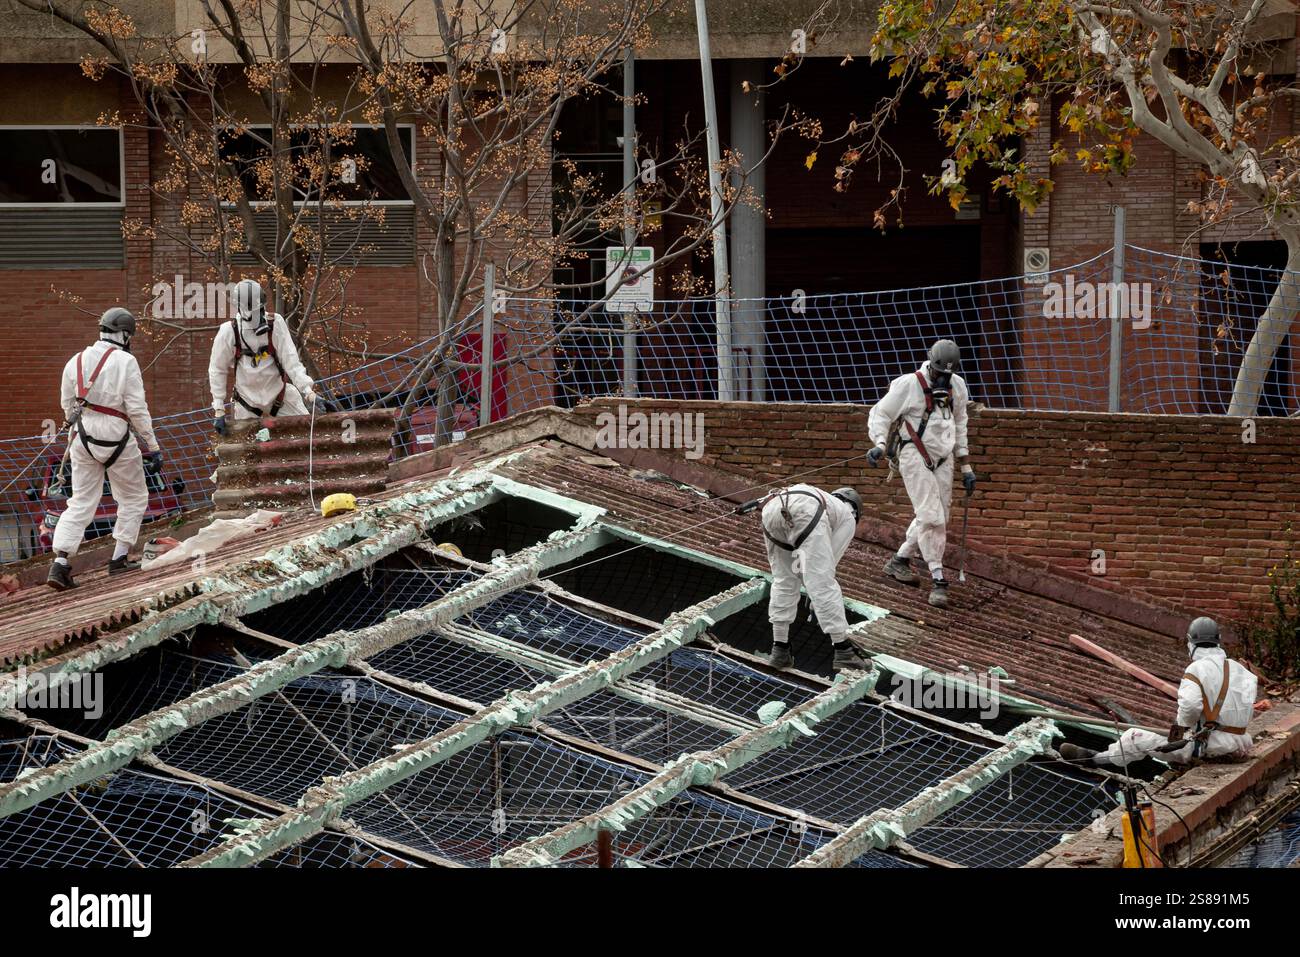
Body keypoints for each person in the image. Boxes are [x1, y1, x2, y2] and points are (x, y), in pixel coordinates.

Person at [46, 308, 162, 590]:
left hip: (82, 436)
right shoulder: (126, 362)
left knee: (81, 501)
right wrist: (153, 444)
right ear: (123, 334)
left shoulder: (74, 361)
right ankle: (119, 559)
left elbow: (66, 405)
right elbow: (136, 408)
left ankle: (60, 563)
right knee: (133, 497)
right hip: (117, 436)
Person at [1059, 617, 1257, 768]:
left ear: (1190, 642)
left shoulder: (1196, 669)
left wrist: (1178, 735)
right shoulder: (1243, 672)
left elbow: (1190, 707)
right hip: (1241, 743)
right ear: (1219, 641)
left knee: (1134, 736)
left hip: (1210, 748)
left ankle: (1095, 759)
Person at [867, 339, 974, 608]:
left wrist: (966, 466)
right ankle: (938, 578)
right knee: (930, 515)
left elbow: (960, 423)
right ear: (931, 364)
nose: (942, 378)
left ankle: (900, 559)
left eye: (947, 374)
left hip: (944, 458)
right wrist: (879, 444)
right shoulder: (908, 384)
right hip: (914, 455)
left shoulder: (957, 386)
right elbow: (880, 414)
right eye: (939, 373)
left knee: (940, 516)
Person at [759, 484, 872, 672]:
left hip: (772, 510)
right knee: (822, 581)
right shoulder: (847, 516)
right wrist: (816, 595)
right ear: (856, 510)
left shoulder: (827, 501)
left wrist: (812, 586)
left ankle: (780, 650)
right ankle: (843, 651)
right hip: (805, 510)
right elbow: (825, 568)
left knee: (784, 580)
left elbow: (800, 569)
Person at [208, 279, 324, 435]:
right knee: (250, 453)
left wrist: (309, 393)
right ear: (240, 308)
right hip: (247, 404)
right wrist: (219, 409)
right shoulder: (229, 332)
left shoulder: (275, 324)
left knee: (307, 436)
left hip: (281, 398)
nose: (258, 315)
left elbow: (291, 361)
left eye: (259, 309)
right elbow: (217, 369)